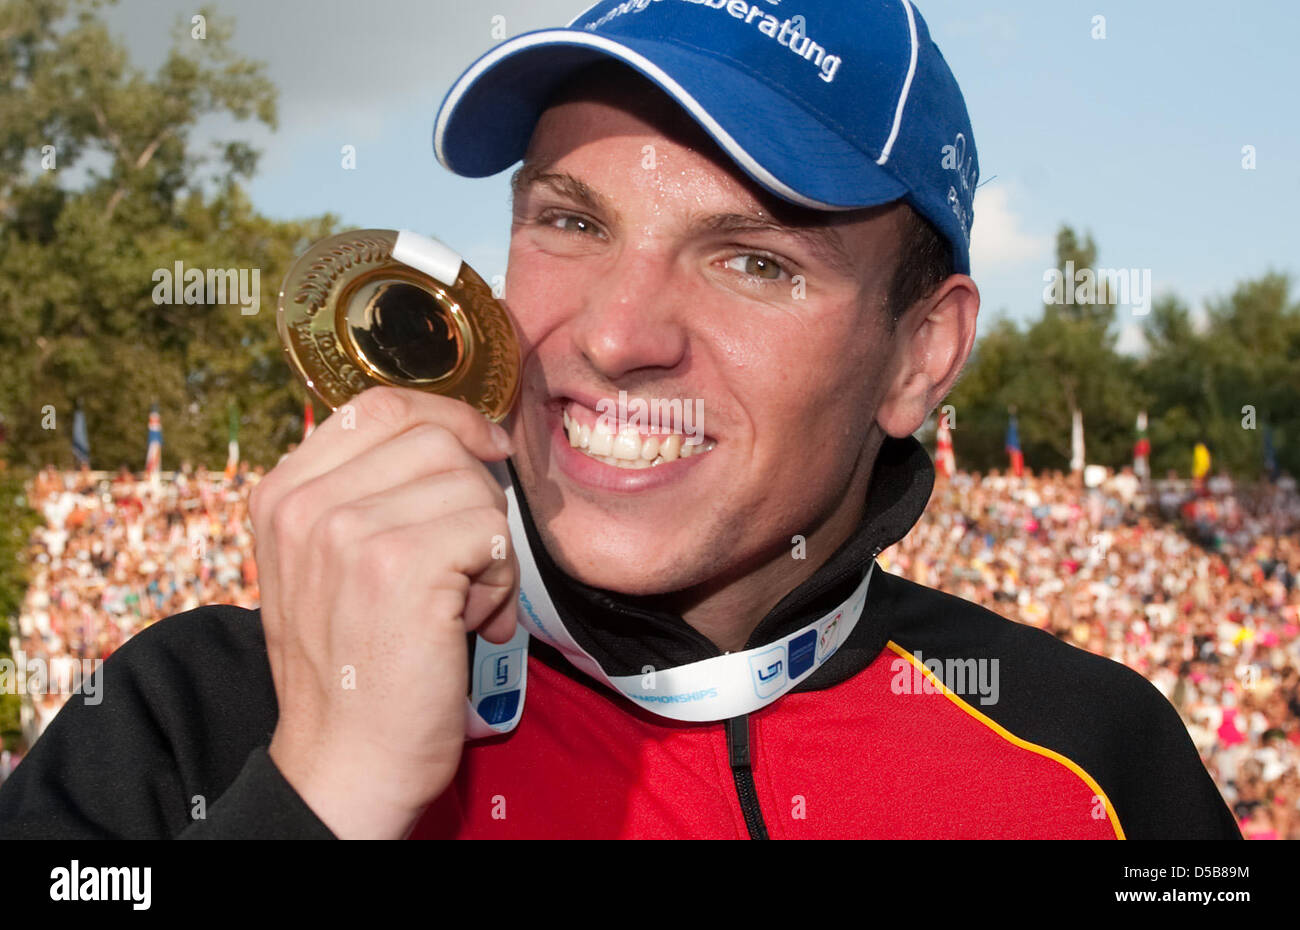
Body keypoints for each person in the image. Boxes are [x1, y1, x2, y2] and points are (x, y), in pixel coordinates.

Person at [0, 0, 1238, 839]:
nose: (611, 335)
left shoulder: (1095, 757)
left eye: (753, 260)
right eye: (572, 222)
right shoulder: (193, 715)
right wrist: (323, 797)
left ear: (920, 355)